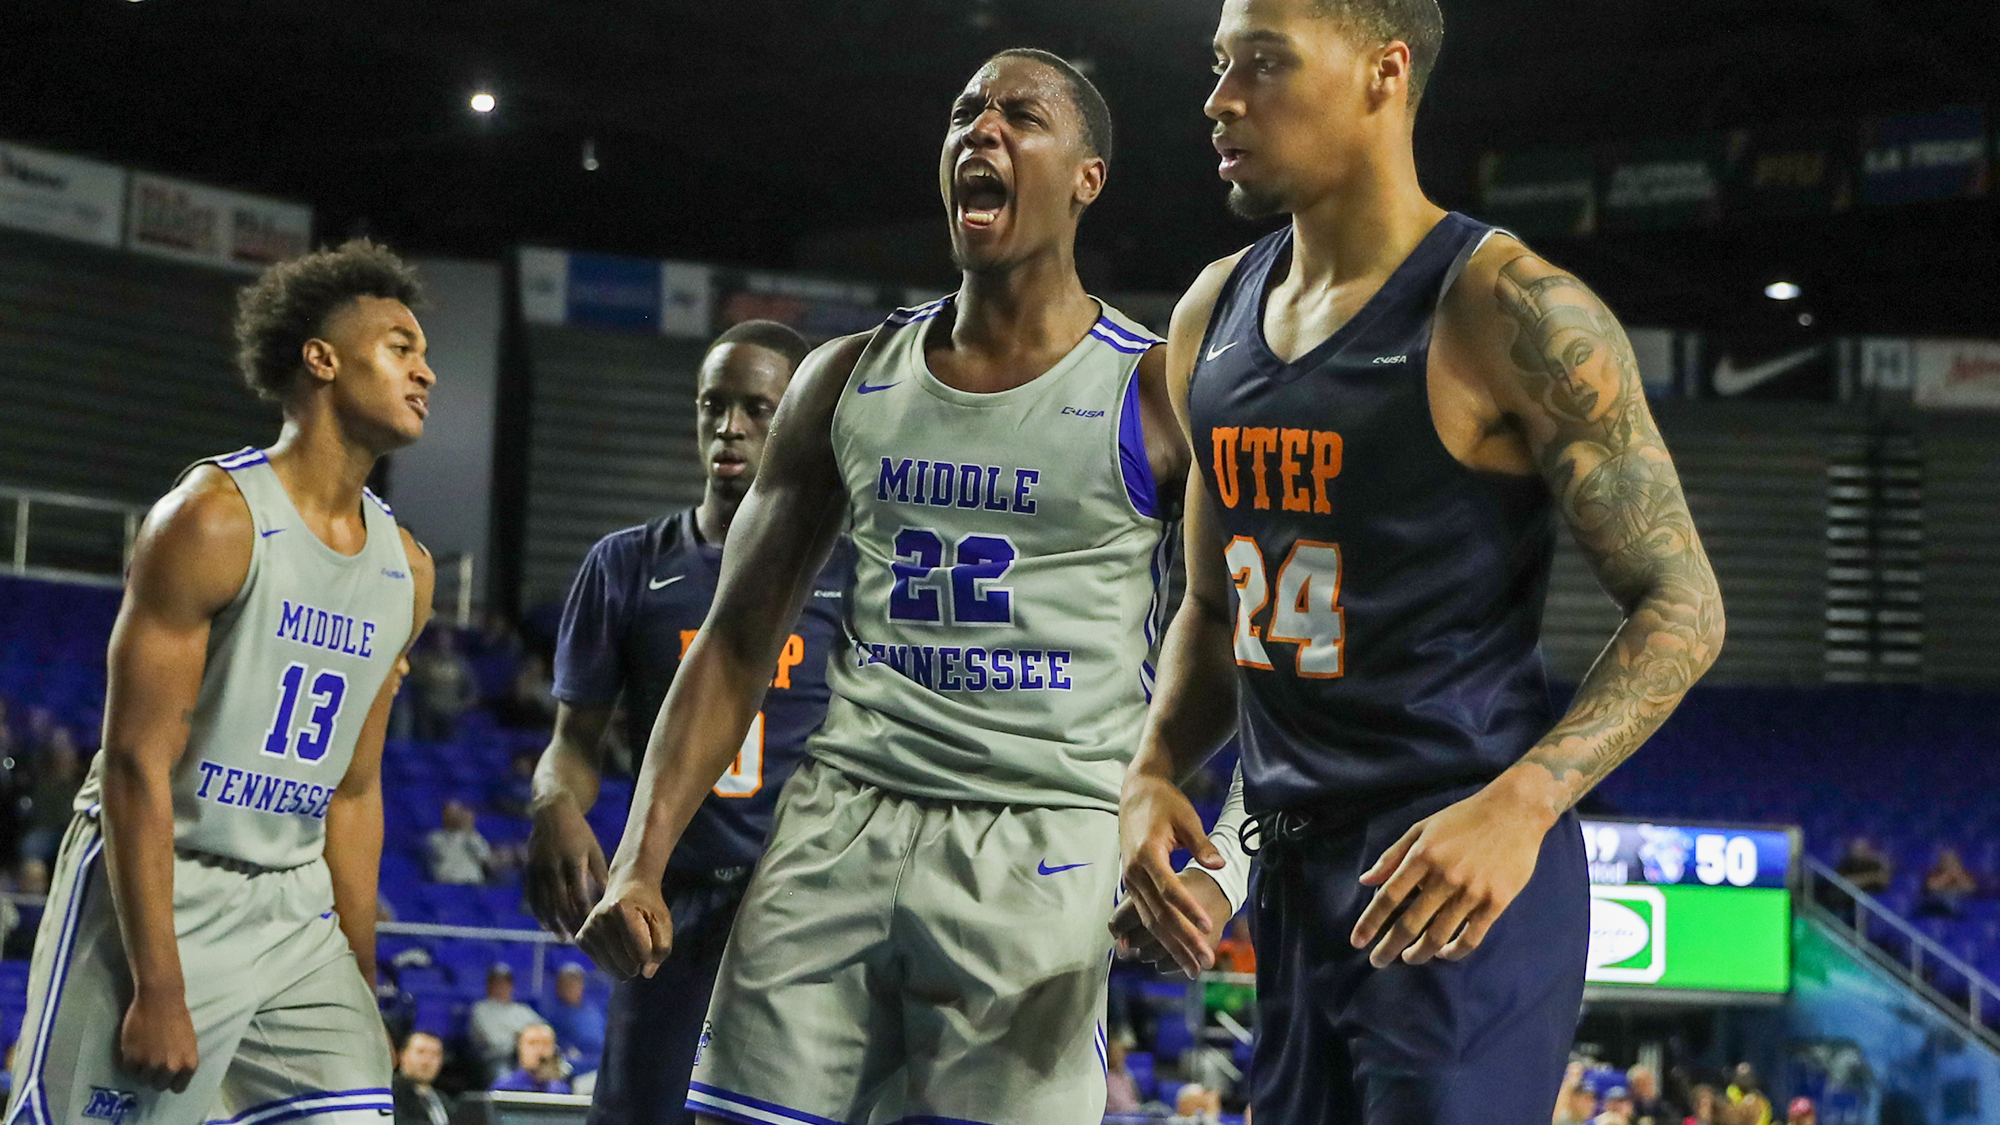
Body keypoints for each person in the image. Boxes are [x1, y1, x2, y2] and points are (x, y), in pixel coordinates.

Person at [1112, 0, 1725, 1121]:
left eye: (1262, 62)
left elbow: (1681, 603)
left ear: (1382, 72)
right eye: (1215, 64)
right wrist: (1154, 770)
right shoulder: (1213, 308)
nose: (1218, 99)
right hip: (1293, 880)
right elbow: (1208, 601)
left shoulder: (1505, 305)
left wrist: (1524, 804)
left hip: (1457, 872)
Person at [575, 48, 1189, 1125]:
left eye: (1019, 117)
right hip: (837, 824)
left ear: (1087, 178)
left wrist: (1207, 852)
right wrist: (640, 858)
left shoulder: (1152, 389)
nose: (979, 132)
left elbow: (1228, 632)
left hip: (1040, 837)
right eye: (964, 113)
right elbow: (731, 640)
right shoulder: (846, 376)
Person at [4, 240, 435, 1125]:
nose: (425, 370)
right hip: (165, 881)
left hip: (293, 902)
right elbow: (133, 765)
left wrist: (353, 976)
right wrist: (158, 983)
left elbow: (354, 791)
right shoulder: (211, 520)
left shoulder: (409, 569)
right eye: (400, 345)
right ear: (321, 358)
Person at [524, 319, 841, 1125]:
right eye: (714, 405)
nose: (730, 428)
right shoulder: (626, 563)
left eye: (758, 409)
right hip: (670, 907)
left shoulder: (855, 570)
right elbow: (571, 744)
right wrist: (553, 802)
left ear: (799, 416)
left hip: (802, 909)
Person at [467, 963, 542, 1080]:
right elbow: (493, 1041)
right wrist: (520, 1037)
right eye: (496, 983)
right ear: (489, 986)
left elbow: (543, 1031)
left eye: (505, 983)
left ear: (511, 985)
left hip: (524, 1058)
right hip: (496, 1059)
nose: (501, 987)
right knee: (505, 1077)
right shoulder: (481, 1009)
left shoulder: (522, 1010)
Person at [543, 964, 606, 1089]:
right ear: (558, 986)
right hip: (573, 1074)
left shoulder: (594, 1011)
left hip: (599, 1068)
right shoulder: (551, 1013)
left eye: (575, 983)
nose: (571, 988)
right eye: (567, 984)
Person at [426, 798, 496, 885]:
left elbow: (484, 856)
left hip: (473, 884)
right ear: (444, 816)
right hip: (450, 884)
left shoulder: (473, 835)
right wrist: (461, 834)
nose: (455, 817)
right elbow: (441, 854)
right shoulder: (435, 837)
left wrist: (469, 833)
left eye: (458, 813)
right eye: (451, 814)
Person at [392, 1032, 453, 1125]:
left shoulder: (443, 1099)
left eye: (435, 1054)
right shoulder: (392, 1094)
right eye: (421, 1052)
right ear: (402, 1055)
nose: (427, 1061)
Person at [490, 1025, 570, 1095]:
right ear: (520, 1048)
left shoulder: (561, 1090)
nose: (539, 1050)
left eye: (546, 1043)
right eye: (532, 1043)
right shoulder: (505, 1088)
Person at [1917, 846, 1978, 917]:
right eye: (1946, 861)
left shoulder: (1965, 875)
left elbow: (1970, 889)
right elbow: (1932, 888)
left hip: (1960, 909)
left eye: (1953, 862)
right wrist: (1947, 876)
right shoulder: (1933, 875)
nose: (1949, 864)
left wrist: (1958, 875)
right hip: (1937, 908)